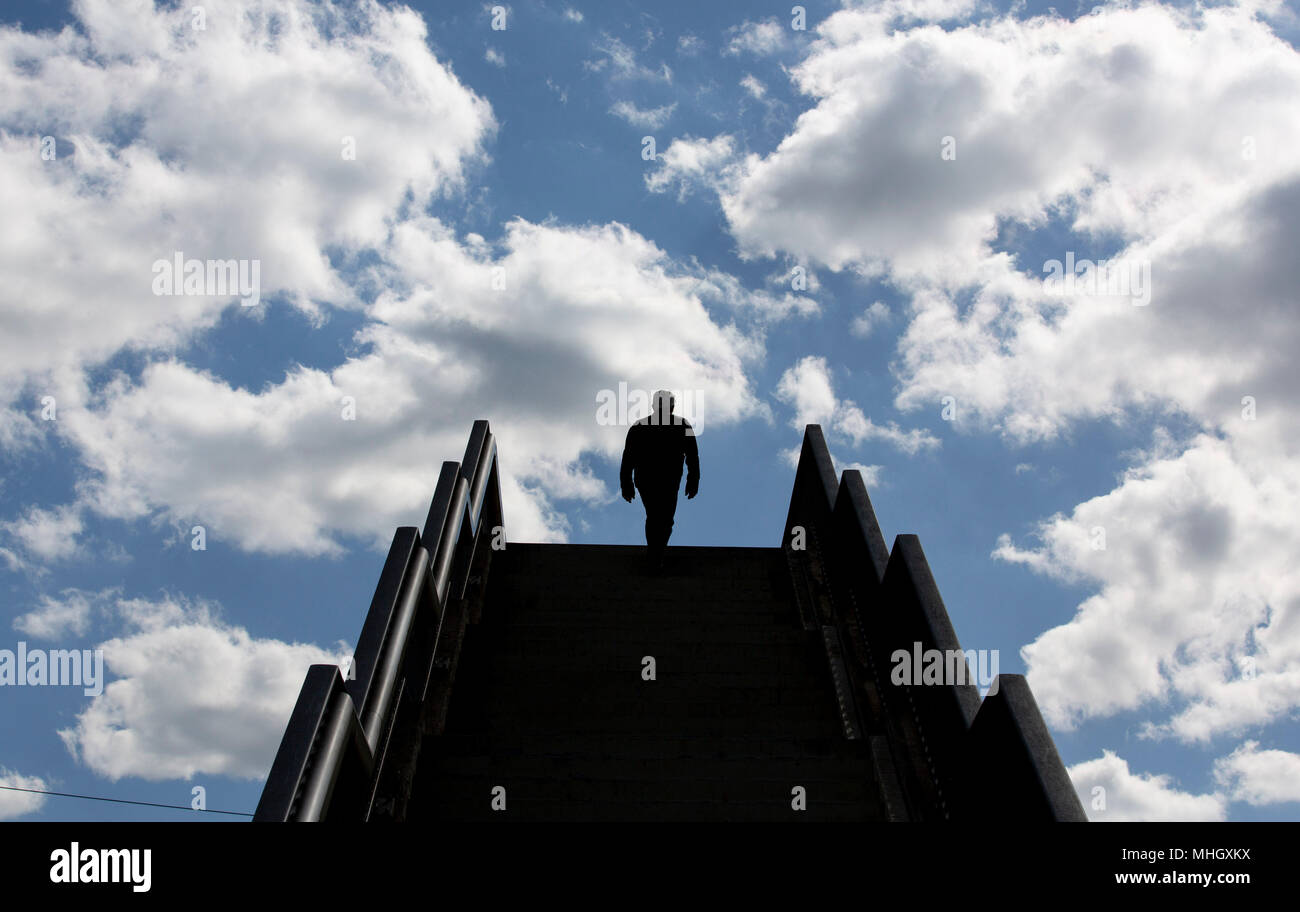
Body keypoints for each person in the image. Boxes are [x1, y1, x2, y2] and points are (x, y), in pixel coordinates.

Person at [620, 390, 700, 573]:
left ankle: (656, 553)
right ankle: (655, 556)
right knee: (658, 516)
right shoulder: (640, 427)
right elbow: (628, 457)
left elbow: (692, 456)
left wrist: (693, 479)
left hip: (670, 479)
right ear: (654, 406)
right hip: (648, 478)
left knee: (664, 518)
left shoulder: (681, 425)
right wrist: (626, 483)